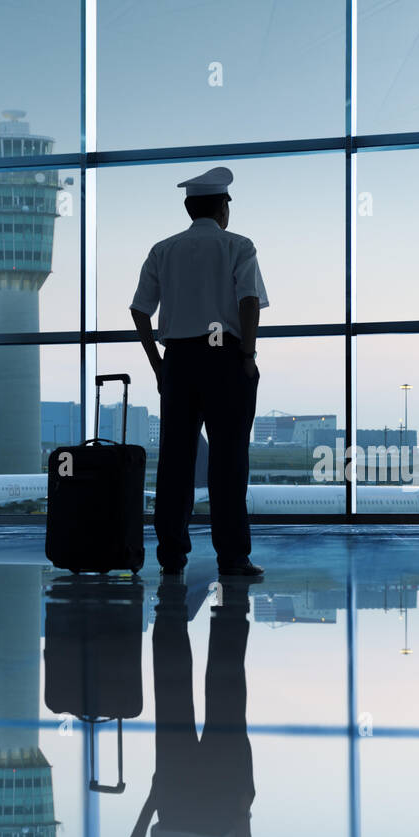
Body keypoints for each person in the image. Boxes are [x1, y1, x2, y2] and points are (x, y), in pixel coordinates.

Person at [123, 576, 260, 837]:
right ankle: (169, 605)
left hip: (221, 805)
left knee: (226, 693)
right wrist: (152, 798)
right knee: (172, 693)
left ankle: (230, 605)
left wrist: (242, 811)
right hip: (174, 799)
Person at [130, 166, 267, 578]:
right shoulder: (238, 246)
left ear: (190, 208)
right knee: (228, 462)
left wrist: (158, 364)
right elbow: (248, 302)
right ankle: (233, 558)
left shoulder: (163, 249)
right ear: (223, 208)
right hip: (224, 358)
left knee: (175, 462)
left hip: (180, 361)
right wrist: (247, 354)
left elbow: (139, 310)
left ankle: (171, 555)